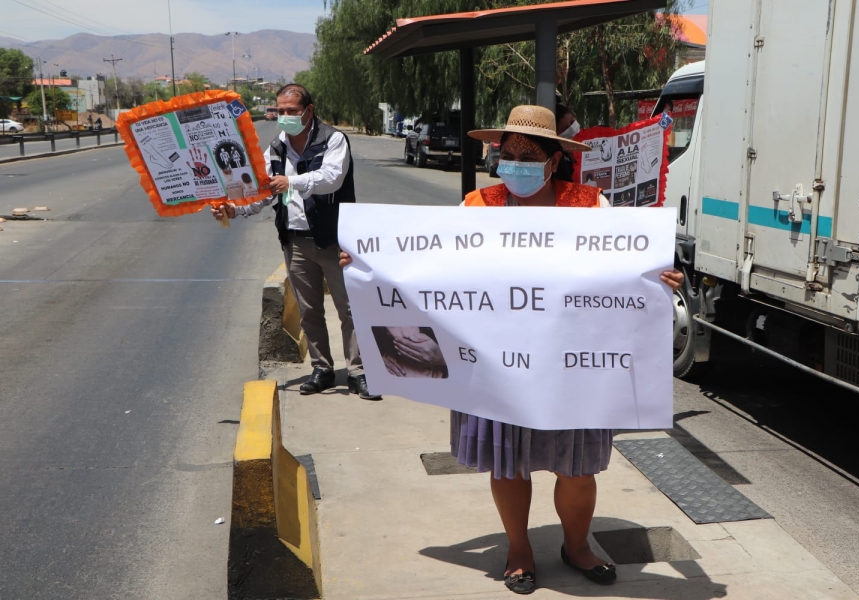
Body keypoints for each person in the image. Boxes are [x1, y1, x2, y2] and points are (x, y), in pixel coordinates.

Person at [341, 105, 683, 595]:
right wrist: (367, 261)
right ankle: (519, 549)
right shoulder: (477, 206)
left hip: (571, 366)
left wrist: (658, 276)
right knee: (508, 461)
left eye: (528, 154)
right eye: (508, 153)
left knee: (579, 467)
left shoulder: (591, 205)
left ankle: (577, 545)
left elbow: (625, 271)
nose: (515, 163)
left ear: (553, 159)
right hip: (498, 365)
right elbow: (431, 269)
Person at [212, 83, 379, 400]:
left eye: (292, 111)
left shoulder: (333, 140)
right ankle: (322, 369)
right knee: (309, 310)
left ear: (309, 111)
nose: (285, 117)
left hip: (335, 239)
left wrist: (292, 181)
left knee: (350, 308)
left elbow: (332, 178)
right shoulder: (274, 149)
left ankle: (358, 371)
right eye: (281, 111)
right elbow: (261, 193)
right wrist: (233, 209)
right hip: (296, 240)